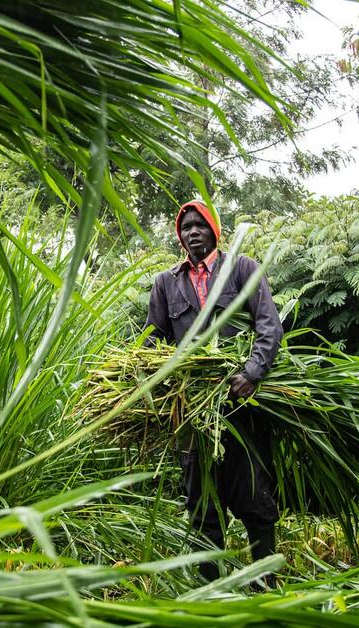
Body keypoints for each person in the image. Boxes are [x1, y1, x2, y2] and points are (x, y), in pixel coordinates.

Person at [145, 200, 284, 581]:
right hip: (192, 413)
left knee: (254, 497)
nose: (192, 232)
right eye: (186, 227)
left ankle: (264, 585)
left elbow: (269, 327)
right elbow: (150, 343)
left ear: (214, 231)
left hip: (242, 409)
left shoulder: (242, 269)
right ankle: (212, 593)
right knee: (201, 504)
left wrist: (252, 372)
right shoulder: (165, 283)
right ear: (180, 235)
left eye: (200, 226)